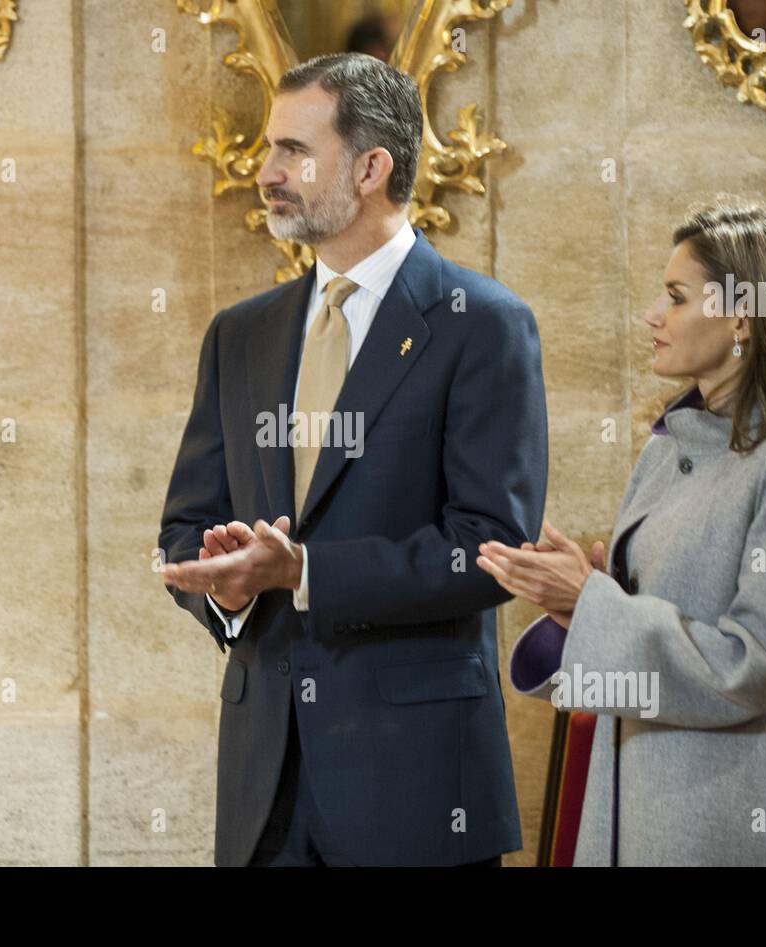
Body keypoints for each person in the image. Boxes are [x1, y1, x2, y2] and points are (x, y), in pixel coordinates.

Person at [158, 53, 548, 866]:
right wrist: (223, 589)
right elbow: (187, 526)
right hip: (266, 786)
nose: (266, 173)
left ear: (373, 167)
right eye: (269, 149)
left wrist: (306, 572)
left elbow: (489, 549)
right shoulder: (241, 334)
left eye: (294, 152)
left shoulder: (483, 324)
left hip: (417, 787)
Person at [479, 201, 766, 865]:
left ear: (742, 318)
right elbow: (652, 632)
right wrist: (574, 610)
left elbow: (748, 667)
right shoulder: (669, 448)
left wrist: (596, 604)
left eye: (675, 296)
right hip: (645, 807)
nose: (652, 315)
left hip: (733, 822)